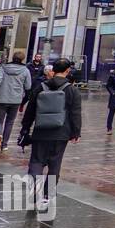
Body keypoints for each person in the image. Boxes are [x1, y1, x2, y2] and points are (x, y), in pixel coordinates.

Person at [22, 58, 82, 211]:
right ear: (67, 71)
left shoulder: (41, 87)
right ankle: (47, 196)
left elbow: (30, 111)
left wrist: (25, 128)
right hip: (61, 133)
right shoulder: (72, 90)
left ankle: (34, 188)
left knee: (36, 161)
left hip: (40, 131)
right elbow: (75, 113)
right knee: (55, 164)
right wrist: (76, 132)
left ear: (52, 70)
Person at [0, 50, 32, 152]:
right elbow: (28, 86)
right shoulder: (25, 70)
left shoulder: (3, 68)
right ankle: (4, 144)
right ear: (22, 59)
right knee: (10, 122)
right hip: (16, 100)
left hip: (2, 98)